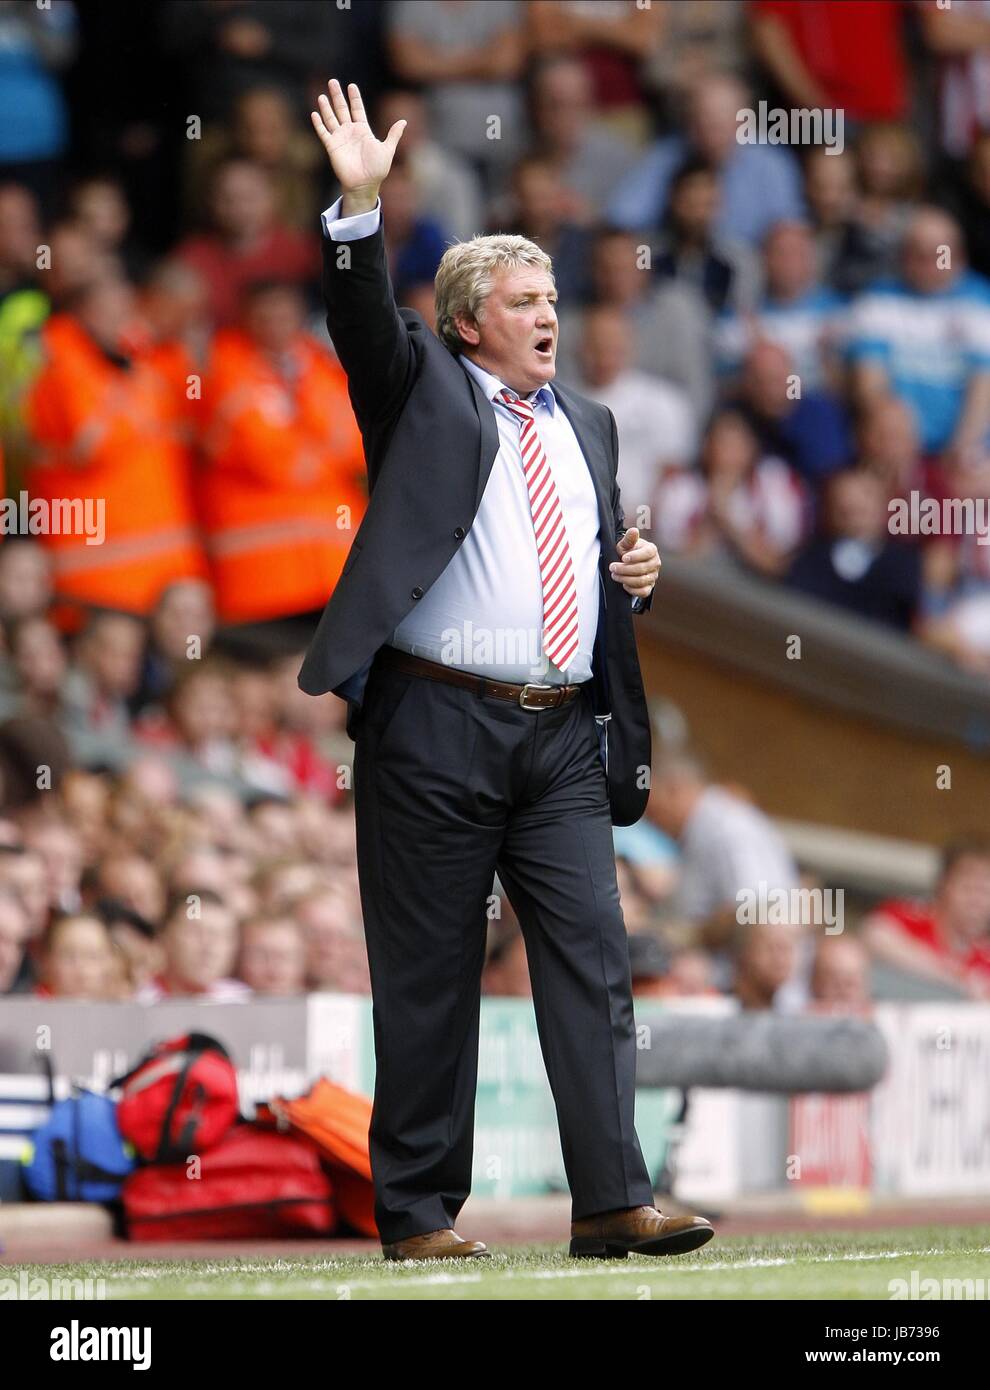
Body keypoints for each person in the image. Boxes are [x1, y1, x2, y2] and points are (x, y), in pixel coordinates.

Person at [301, 80, 712, 1263]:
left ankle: (613, 1197)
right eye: (523, 301)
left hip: (563, 733)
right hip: (434, 725)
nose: (547, 314)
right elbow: (360, 317)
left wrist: (633, 571)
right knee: (429, 973)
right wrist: (360, 207)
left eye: (551, 297)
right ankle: (419, 1211)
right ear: (467, 322)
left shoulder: (591, 422)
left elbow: (585, 554)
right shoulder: (419, 385)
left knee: (594, 959)